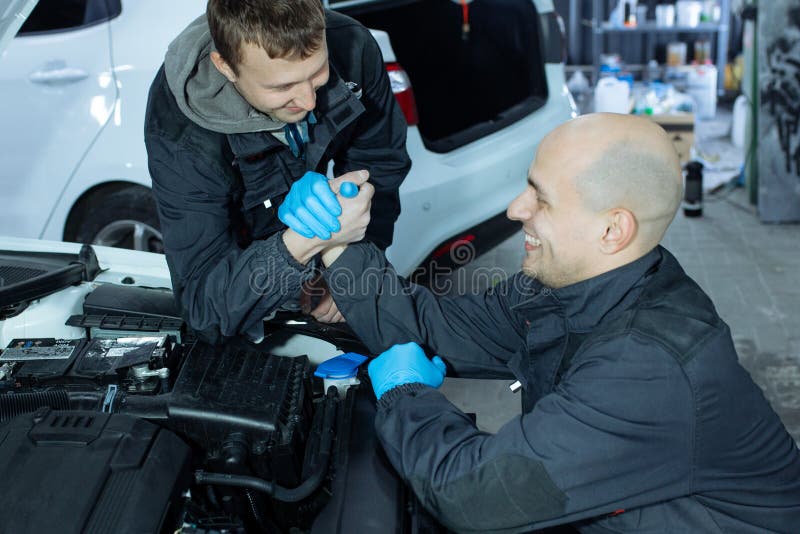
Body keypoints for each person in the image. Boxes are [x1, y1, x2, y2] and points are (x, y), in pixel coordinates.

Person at [316, 114, 800, 532]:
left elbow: (475, 495)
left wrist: (406, 396)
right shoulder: (565, 287)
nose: (516, 209)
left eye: (541, 198)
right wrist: (338, 246)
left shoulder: (648, 366)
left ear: (612, 230)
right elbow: (435, 327)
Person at [144, 0, 410, 343]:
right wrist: (305, 244)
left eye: (317, 72)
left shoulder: (352, 47)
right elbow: (203, 308)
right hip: (243, 290)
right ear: (226, 67)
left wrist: (345, 270)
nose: (309, 101)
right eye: (282, 87)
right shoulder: (182, 133)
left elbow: (380, 161)